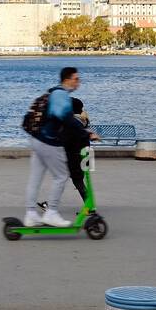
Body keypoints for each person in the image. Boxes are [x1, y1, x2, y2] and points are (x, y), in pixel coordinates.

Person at [23, 67, 98, 227]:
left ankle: (30, 214)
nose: (78, 82)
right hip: (48, 141)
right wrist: (87, 134)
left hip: (36, 139)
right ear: (68, 79)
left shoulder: (52, 93)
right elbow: (65, 118)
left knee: (35, 178)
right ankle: (51, 213)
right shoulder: (61, 95)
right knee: (61, 176)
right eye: (76, 79)